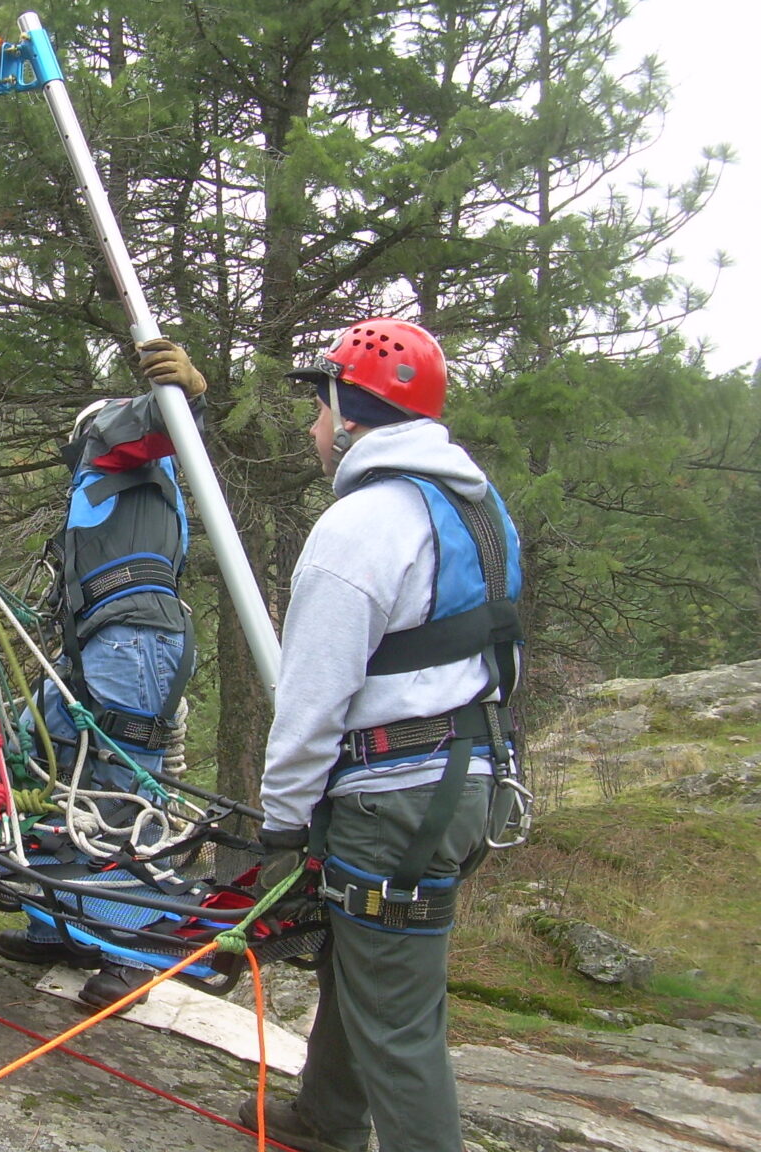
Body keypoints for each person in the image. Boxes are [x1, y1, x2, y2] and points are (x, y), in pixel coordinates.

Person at [241, 318, 524, 1152]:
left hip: (395, 795)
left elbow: (311, 699)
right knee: (363, 954)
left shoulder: (363, 525)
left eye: (319, 406)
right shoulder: (480, 512)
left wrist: (283, 825)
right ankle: (326, 1118)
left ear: (350, 412)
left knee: (400, 1019)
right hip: (466, 779)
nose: (313, 425)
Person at [0, 337, 206, 1011]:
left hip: (130, 643)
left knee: (119, 789)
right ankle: (62, 924)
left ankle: (135, 950)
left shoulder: (111, 440)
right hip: (105, 643)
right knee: (38, 753)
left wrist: (184, 393)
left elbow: (157, 418)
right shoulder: (133, 493)